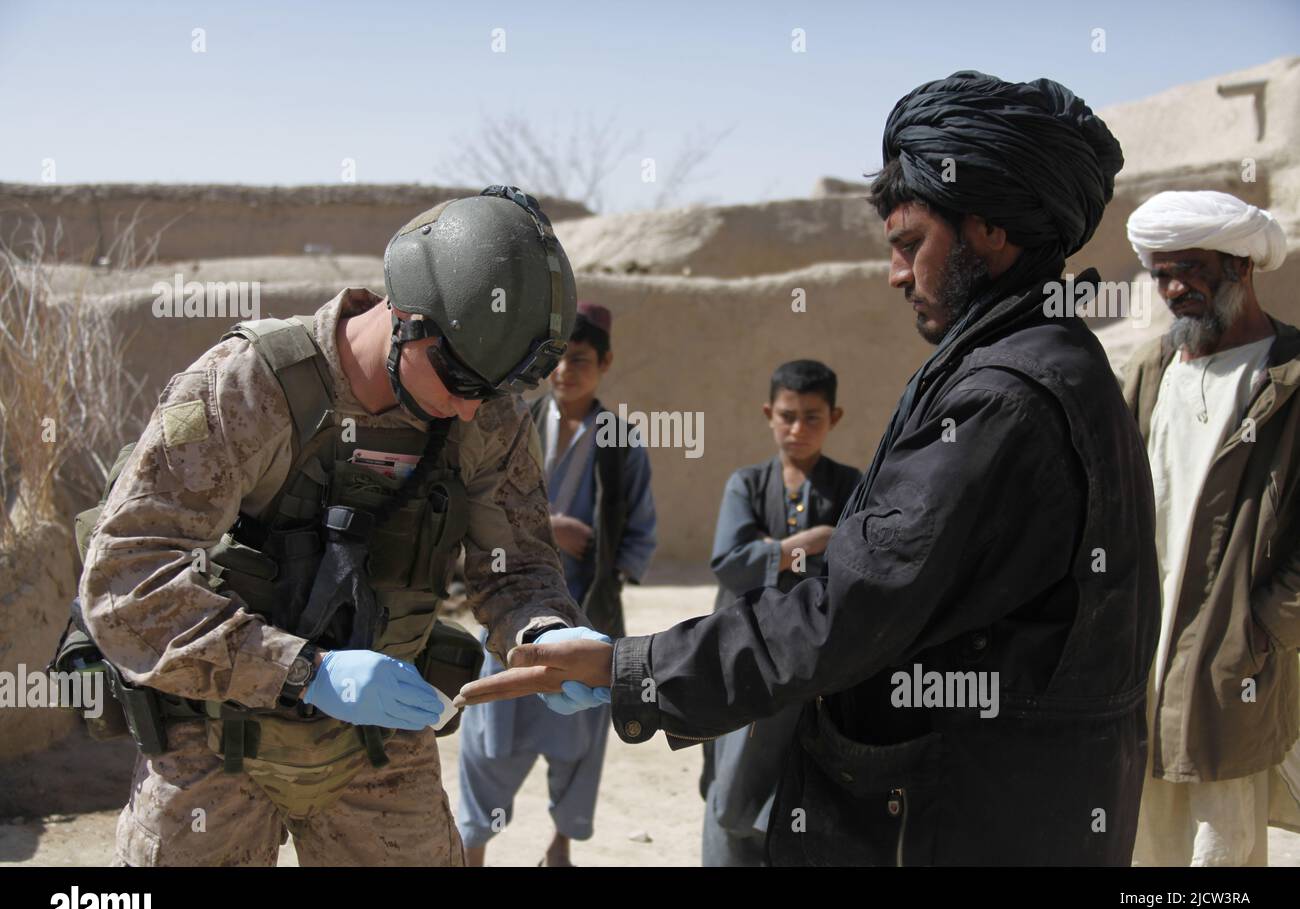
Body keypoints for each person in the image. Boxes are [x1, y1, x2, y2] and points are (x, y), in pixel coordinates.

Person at [457, 71, 1162, 866]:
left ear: (992, 229)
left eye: (909, 245)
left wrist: (635, 667)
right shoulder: (1053, 364)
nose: (896, 275)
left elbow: (846, 611)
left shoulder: (1003, 399)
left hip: (961, 818)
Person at [77, 186, 585, 866]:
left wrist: (546, 633)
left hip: (380, 744)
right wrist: (304, 670)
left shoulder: (485, 405)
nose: (469, 414)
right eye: (459, 384)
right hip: (216, 737)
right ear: (405, 318)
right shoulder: (251, 387)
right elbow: (125, 582)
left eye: (487, 395)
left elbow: (517, 569)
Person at [1122, 190, 1300, 866]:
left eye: (1191, 269)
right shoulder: (1151, 370)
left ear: (1240, 267)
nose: (1173, 288)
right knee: (1140, 848)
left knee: (1217, 856)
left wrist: (1263, 629)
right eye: (1161, 273)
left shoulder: (1288, 376)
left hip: (1230, 671)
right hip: (1139, 662)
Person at [456, 301, 656, 866]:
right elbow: (484, 503)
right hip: (512, 607)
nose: (567, 371)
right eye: (559, 360)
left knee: (579, 737)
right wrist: (547, 531)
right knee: (489, 733)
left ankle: (560, 846)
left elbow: (641, 531)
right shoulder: (515, 423)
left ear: (605, 363)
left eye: (581, 359)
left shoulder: (621, 442)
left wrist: (602, 558)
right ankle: (474, 849)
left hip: (586, 611)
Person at [700, 359, 859, 865]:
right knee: (733, 787)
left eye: (812, 417)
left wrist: (769, 549)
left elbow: (856, 560)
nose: (797, 429)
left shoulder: (850, 486)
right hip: (744, 656)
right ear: (769, 414)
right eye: (787, 416)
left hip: (814, 664)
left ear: (834, 418)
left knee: (803, 787)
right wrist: (803, 546)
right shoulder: (745, 485)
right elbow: (730, 564)